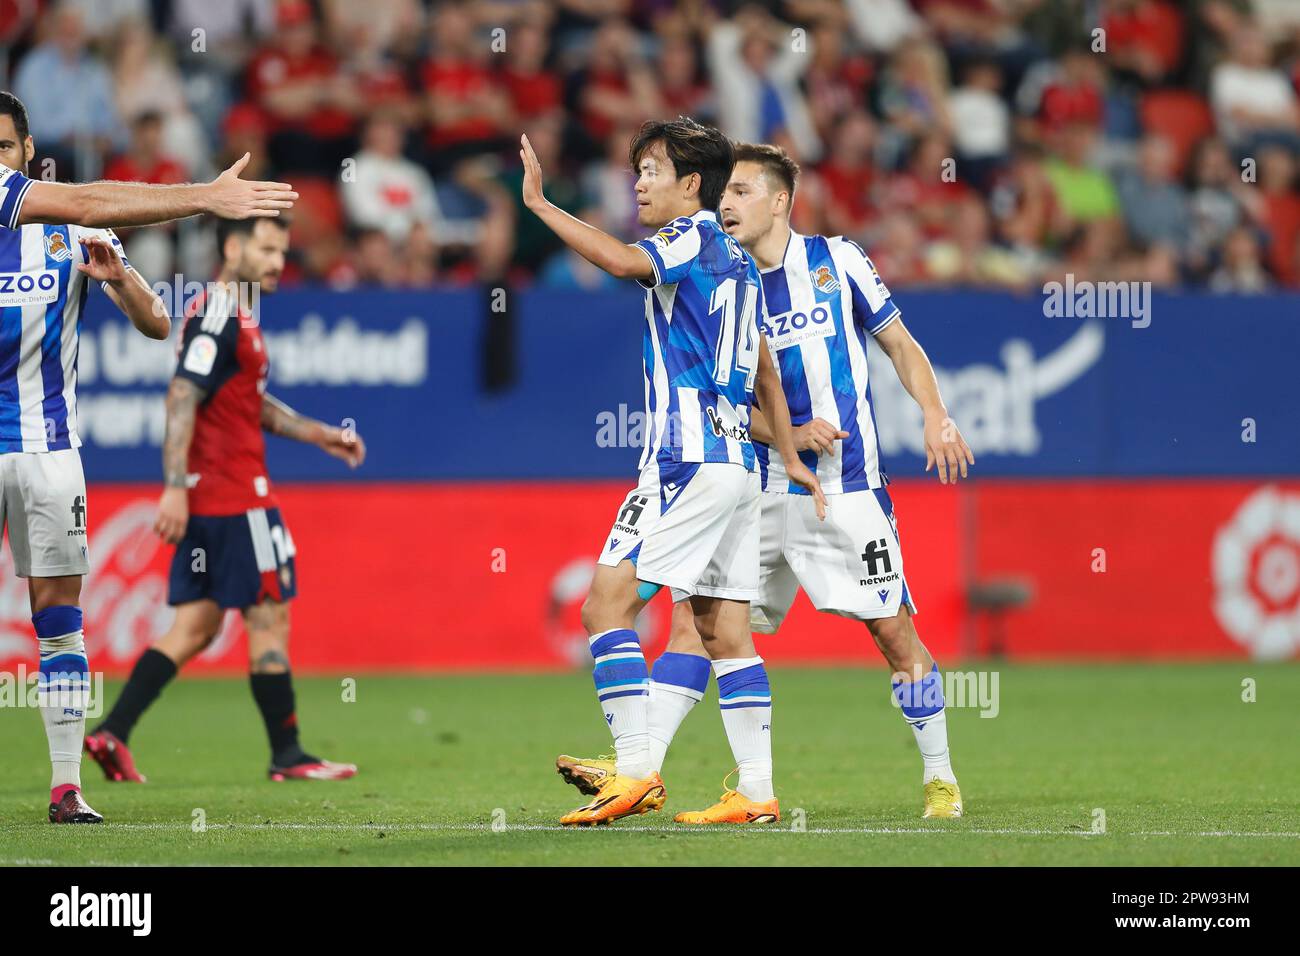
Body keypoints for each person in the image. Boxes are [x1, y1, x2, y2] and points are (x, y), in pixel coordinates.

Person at [559, 143, 974, 823]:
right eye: (726, 192)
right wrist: (785, 438)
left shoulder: (838, 262)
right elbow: (737, 391)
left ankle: (940, 776)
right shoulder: (724, 274)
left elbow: (899, 342)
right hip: (756, 481)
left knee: (893, 633)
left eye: (744, 191)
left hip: (846, 487)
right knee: (703, 627)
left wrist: (936, 416)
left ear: (780, 200)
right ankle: (643, 772)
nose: (727, 203)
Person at [0, 89, 297, 824]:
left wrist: (121, 278)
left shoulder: (66, 234)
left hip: (47, 450)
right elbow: (96, 196)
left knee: (58, 615)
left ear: (28, 155)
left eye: (3, 147)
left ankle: (66, 787)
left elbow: (157, 322)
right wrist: (207, 196)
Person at [519, 118, 824, 826]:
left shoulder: (688, 235)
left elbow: (626, 265)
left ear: (693, 185)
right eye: (638, 171)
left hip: (688, 461)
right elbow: (768, 371)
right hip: (740, 467)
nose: (640, 183)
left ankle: (634, 773)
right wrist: (787, 454)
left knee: (605, 607)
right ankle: (756, 788)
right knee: (721, 630)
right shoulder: (743, 263)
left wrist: (541, 207)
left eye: (652, 170)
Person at [85, 216, 365, 783]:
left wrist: (321, 435)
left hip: (211, 498)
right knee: (269, 615)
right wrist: (171, 488)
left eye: (282, 251)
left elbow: (248, 404)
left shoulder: (233, 316)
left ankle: (112, 731)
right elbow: (181, 396)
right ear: (233, 247)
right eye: (265, 248)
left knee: (196, 626)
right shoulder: (219, 314)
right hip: (238, 498)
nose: (276, 261)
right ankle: (287, 754)